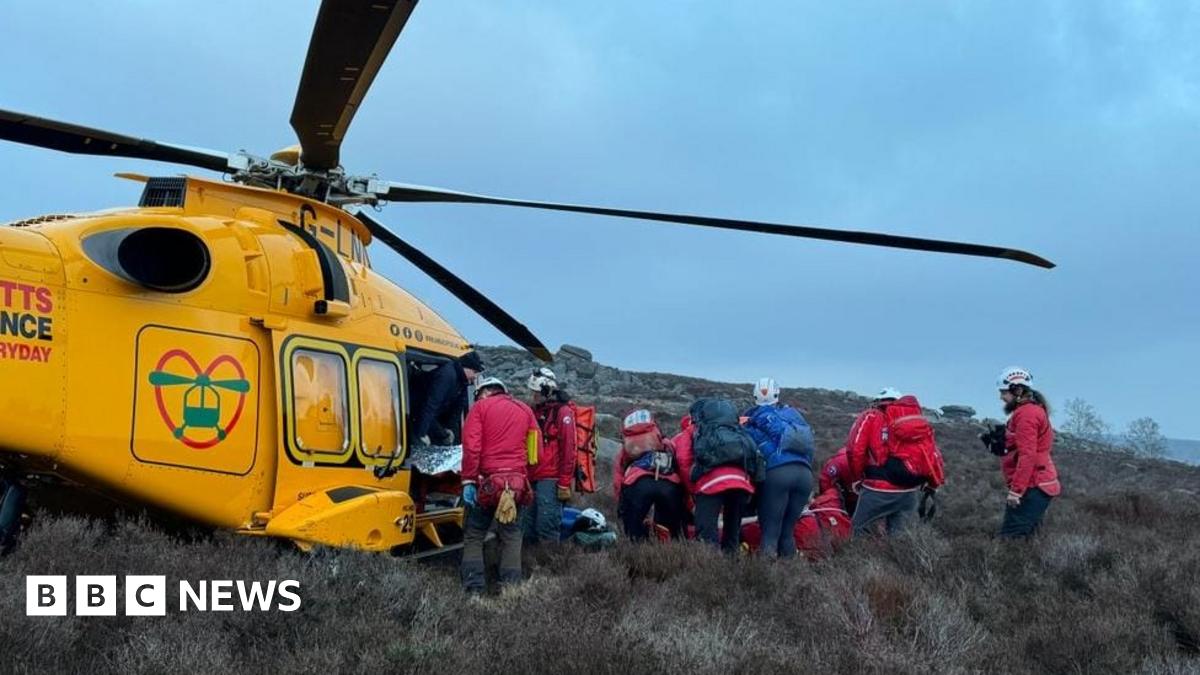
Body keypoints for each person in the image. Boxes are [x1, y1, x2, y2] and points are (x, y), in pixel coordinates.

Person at [459, 376, 539, 594]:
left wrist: (468, 480)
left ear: (484, 392)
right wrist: (524, 478)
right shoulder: (525, 411)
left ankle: (474, 589)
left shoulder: (480, 409)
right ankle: (511, 590)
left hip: (486, 484)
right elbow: (535, 453)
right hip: (516, 485)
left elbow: (471, 448)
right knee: (512, 535)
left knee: (475, 533)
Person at [848, 388, 936, 536]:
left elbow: (855, 450)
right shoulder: (914, 420)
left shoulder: (871, 416)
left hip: (878, 488)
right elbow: (930, 454)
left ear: (877, 402)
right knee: (901, 540)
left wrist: (856, 478)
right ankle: (896, 559)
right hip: (909, 489)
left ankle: (860, 559)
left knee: (859, 531)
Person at [742, 378, 815, 558]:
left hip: (777, 474)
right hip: (805, 475)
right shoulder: (794, 416)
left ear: (754, 396)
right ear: (777, 394)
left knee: (770, 533)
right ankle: (791, 577)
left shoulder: (751, 421)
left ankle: (767, 580)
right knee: (787, 533)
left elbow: (748, 452)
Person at [678, 399, 757, 553]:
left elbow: (683, 460)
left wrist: (693, 489)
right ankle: (731, 568)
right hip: (741, 485)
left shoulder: (695, 429)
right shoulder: (737, 429)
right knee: (732, 534)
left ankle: (710, 569)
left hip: (710, 484)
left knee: (706, 534)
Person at [995, 366, 1060, 538]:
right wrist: (1003, 446)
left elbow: (1027, 455)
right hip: (1037, 484)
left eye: (1004, 392)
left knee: (1010, 540)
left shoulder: (1027, 415)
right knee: (1030, 539)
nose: (1001, 397)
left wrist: (1016, 491)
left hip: (1033, 485)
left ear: (1017, 390)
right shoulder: (1030, 411)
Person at [612, 409, 687, 541]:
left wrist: (621, 504)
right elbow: (679, 465)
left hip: (636, 484)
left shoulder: (626, 451)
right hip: (669, 485)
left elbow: (618, 478)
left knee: (633, 532)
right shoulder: (664, 443)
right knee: (674, 531)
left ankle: (637, 555)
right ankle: (673, 553)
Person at [524, 367, 577, 544]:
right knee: (527, 527)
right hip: (531, 477)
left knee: (546, 527)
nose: (533, 396)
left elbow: (569, 449)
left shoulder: (563, 413)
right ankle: (530, 564)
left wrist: (563, 483)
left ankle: (550, 567)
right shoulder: (534, 411)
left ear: (547, 390)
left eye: (536, 393)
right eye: (532, 392)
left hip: (551, 479)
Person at [411, 350, 484, 447]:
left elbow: (457, 409)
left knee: (444, 436)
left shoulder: (463, 381)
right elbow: (431, 404)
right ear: (464, 367)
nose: (475, 377)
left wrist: (449, 429)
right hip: (417, 411)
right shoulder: (447, 375)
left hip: (430, 415)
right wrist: (421, 434)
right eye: (474, 372)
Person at [819, 446, 858, 515]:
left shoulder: (874, 463)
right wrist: (828, 499)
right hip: (843, 490)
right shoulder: (841, 462)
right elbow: (825, 479)